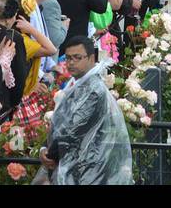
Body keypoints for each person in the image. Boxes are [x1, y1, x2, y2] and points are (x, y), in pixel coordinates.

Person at [40, 36, 132, 184]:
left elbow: (72, 129)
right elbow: (61, 123)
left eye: (77, 57)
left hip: (88, 170)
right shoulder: (77, 83)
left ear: (91, 58)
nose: (71, 62)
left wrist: (49, 153)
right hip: (79, 166)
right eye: (68, 58)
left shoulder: (93, 90)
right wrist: (44, 148)